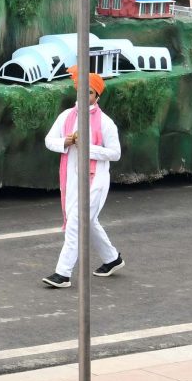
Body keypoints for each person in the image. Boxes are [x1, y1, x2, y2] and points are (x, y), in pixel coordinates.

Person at [40, 73, 123, 288]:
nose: (85, 94)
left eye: (90, 91)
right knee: (88, 222)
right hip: (71, 179)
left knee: (77, 223)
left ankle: (63, 273)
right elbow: (49, 140)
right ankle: (112, 259)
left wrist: (88, 148)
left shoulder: (105, 122)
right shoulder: (67, 116)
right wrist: (65, 142)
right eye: (82, 90)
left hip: (96, 181)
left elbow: (115, 153)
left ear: (97, 95)